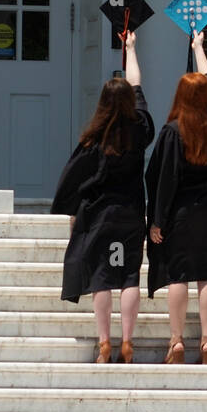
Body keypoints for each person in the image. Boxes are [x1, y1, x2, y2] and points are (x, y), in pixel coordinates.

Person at [50, 30, 154, 363]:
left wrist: (71, 213)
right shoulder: (141, 130)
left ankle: (105, 342)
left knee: (102, 278)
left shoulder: (93, 140)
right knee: (128, 275)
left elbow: (73, 180)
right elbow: (137, 86)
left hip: (99, 217)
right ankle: (128, 342)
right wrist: (131, 49)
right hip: (131, 214)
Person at [146, 31, 207, 364]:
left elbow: (164, 179)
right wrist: (199, 48)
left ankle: (176, 341)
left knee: (178, 276)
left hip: (179, 214)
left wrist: (157, 219)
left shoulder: (173, 131)